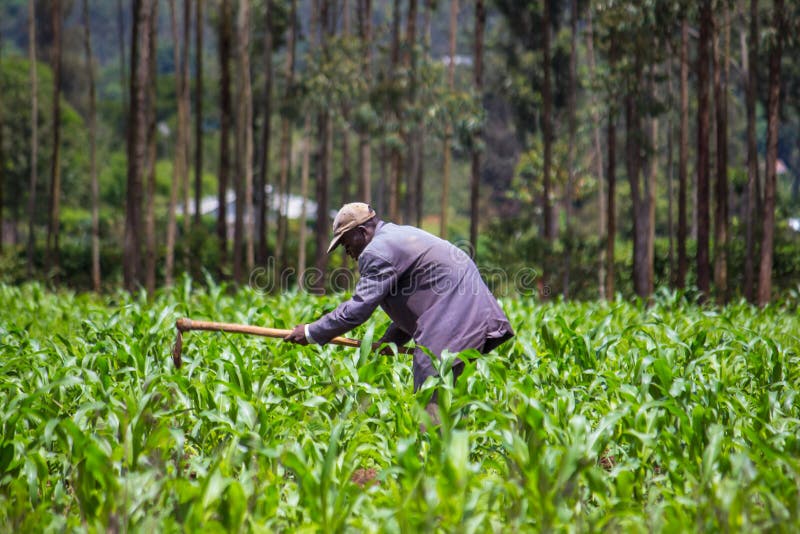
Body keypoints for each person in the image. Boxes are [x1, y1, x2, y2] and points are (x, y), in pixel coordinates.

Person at [284, 202, 514, 421]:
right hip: (469, 313)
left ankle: (430, 456)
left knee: (430, 390)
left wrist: (311, 331)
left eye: (346, 243)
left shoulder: (377, 251)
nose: (348, 251)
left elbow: (357, 309)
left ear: (362, 232)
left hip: (454, 316)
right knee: (447, 400)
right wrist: (391, 340)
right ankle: (450, 453)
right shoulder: (394, 237)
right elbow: (420, 294)